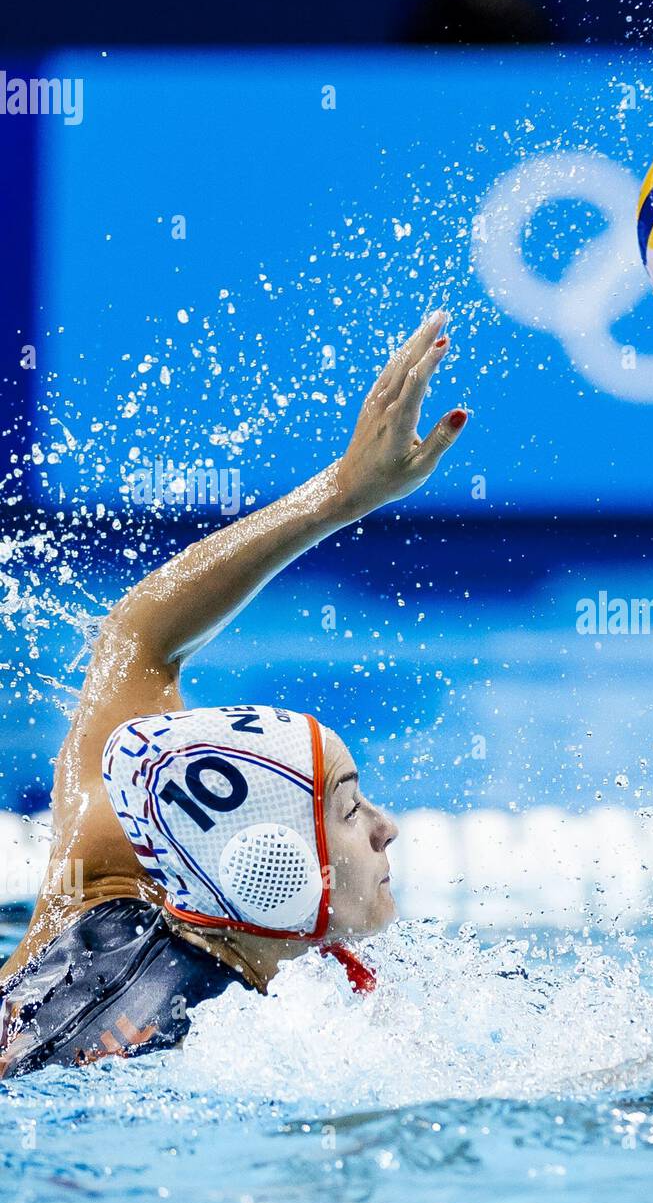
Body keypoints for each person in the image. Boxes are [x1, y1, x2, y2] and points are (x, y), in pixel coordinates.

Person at [0, 311, 466, 1077]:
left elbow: (135, 638)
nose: (388, 829)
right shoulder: (197, 1041)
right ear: (274, 866)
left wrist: (340, 494)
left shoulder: (115, 871)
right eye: (349, 809)